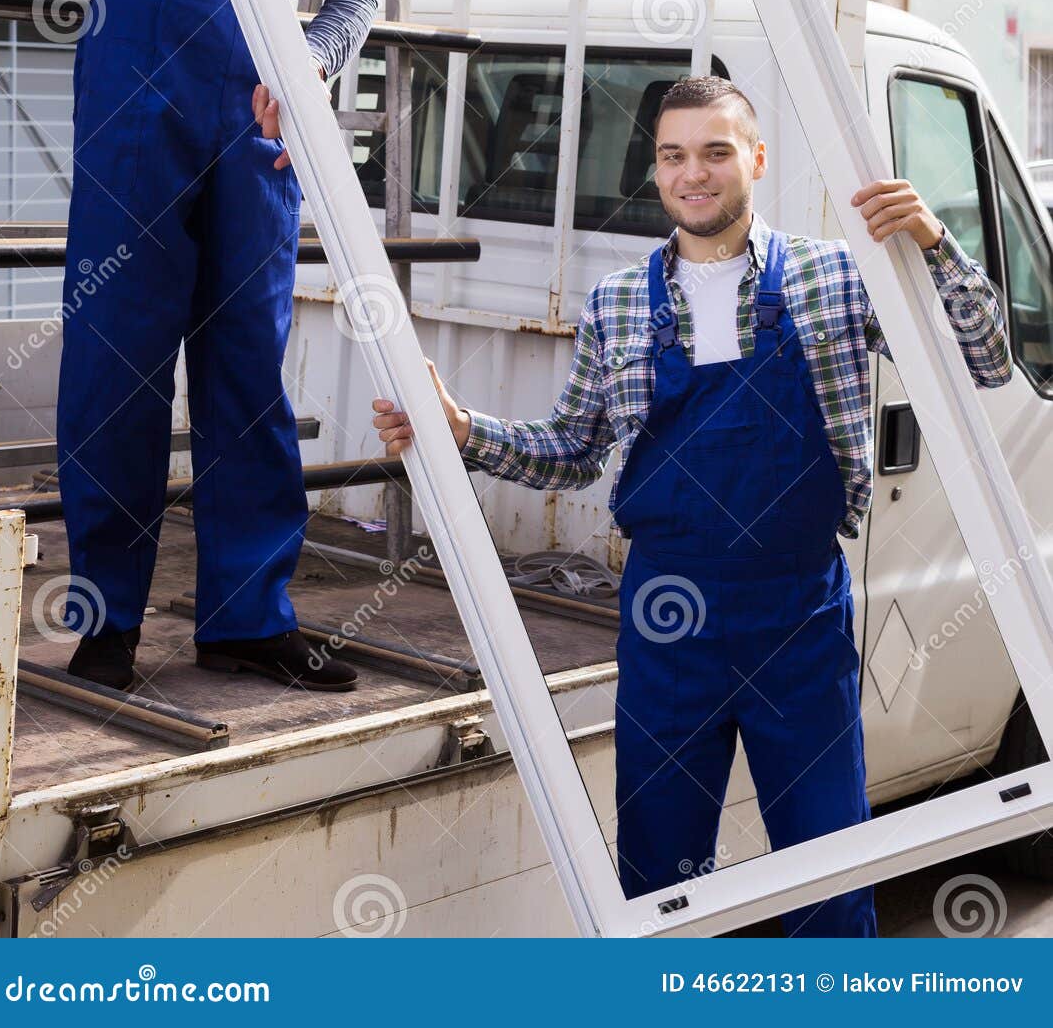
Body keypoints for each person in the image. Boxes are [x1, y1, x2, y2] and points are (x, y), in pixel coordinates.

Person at [371, 75, 1013, 935]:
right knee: (661, 878)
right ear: (656, 170)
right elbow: (570, 450)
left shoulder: (837, 278)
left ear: (753, 158)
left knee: (827, 864)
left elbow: (985, 361)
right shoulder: (618, 302)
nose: (694, 172)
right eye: (673, 155)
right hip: (668, 616)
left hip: (797, 607)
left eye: (715, 151)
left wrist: (932, 243)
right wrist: (460, 431)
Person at [17, 0, 432, 696]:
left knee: (248, 359)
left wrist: (315, 56)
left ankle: (247, 616)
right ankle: (105, 624)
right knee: (119, 352)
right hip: (138, 86)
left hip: (259, 116)